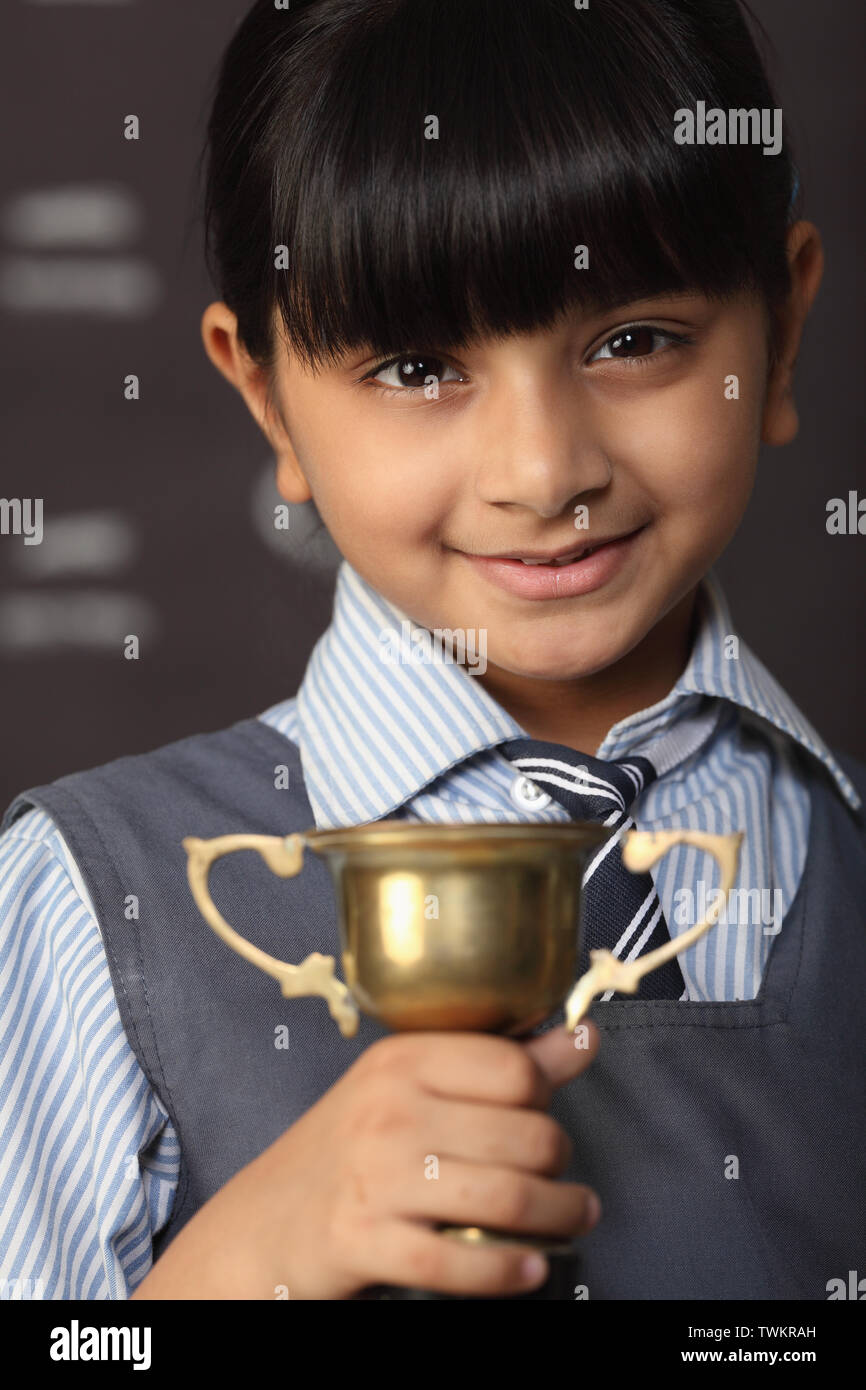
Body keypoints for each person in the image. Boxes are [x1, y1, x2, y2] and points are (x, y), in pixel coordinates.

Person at [1, 0, 864, 1301]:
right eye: (415, 367)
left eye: (635, 341)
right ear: (265, 394)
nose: (541, 470)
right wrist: (248, 1259)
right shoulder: (86, 903)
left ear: (781, 329)